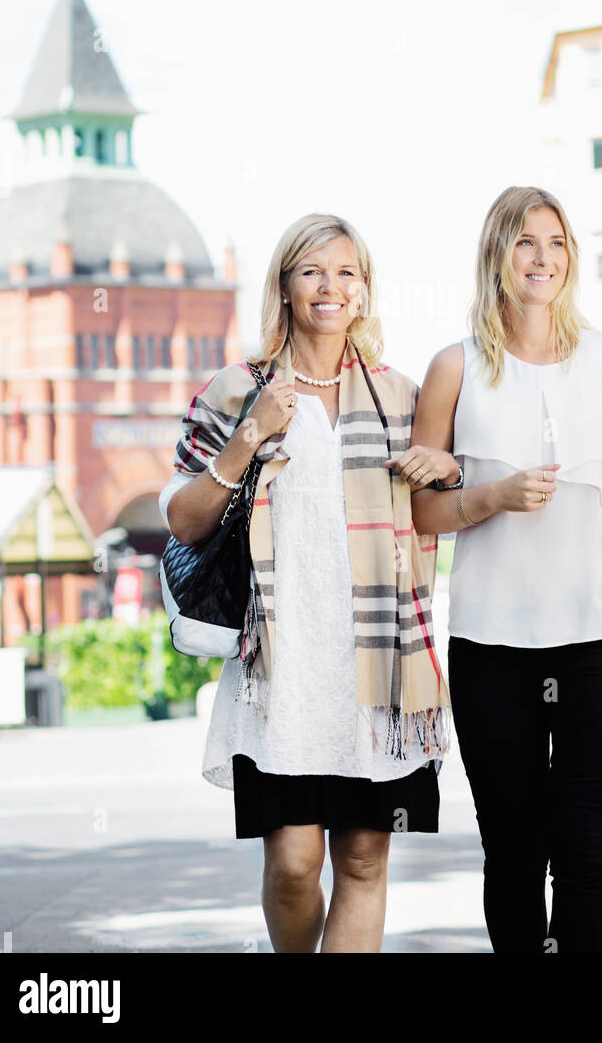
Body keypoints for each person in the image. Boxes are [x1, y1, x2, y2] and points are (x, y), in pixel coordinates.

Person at [157, 213, 456, 953]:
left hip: (378, 668)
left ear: (364, 292)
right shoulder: (237, 389)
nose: (331, 286)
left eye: (347, 272)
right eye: (313, 271)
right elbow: (184, 520)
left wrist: (447, 468)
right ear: (286, 287)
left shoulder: (403, 397)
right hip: (281, 670)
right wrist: (250, 434)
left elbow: (435, 513)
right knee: (294, 864)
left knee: (363, 857)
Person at [410, 185, 602, 955]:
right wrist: (489, 495)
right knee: (514, 857)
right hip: (492, 643)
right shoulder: (453, 369)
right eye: (526, 242)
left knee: (587, 856)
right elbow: (424, 515)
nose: (543, 258)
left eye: (557, 242)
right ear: (498, 255)